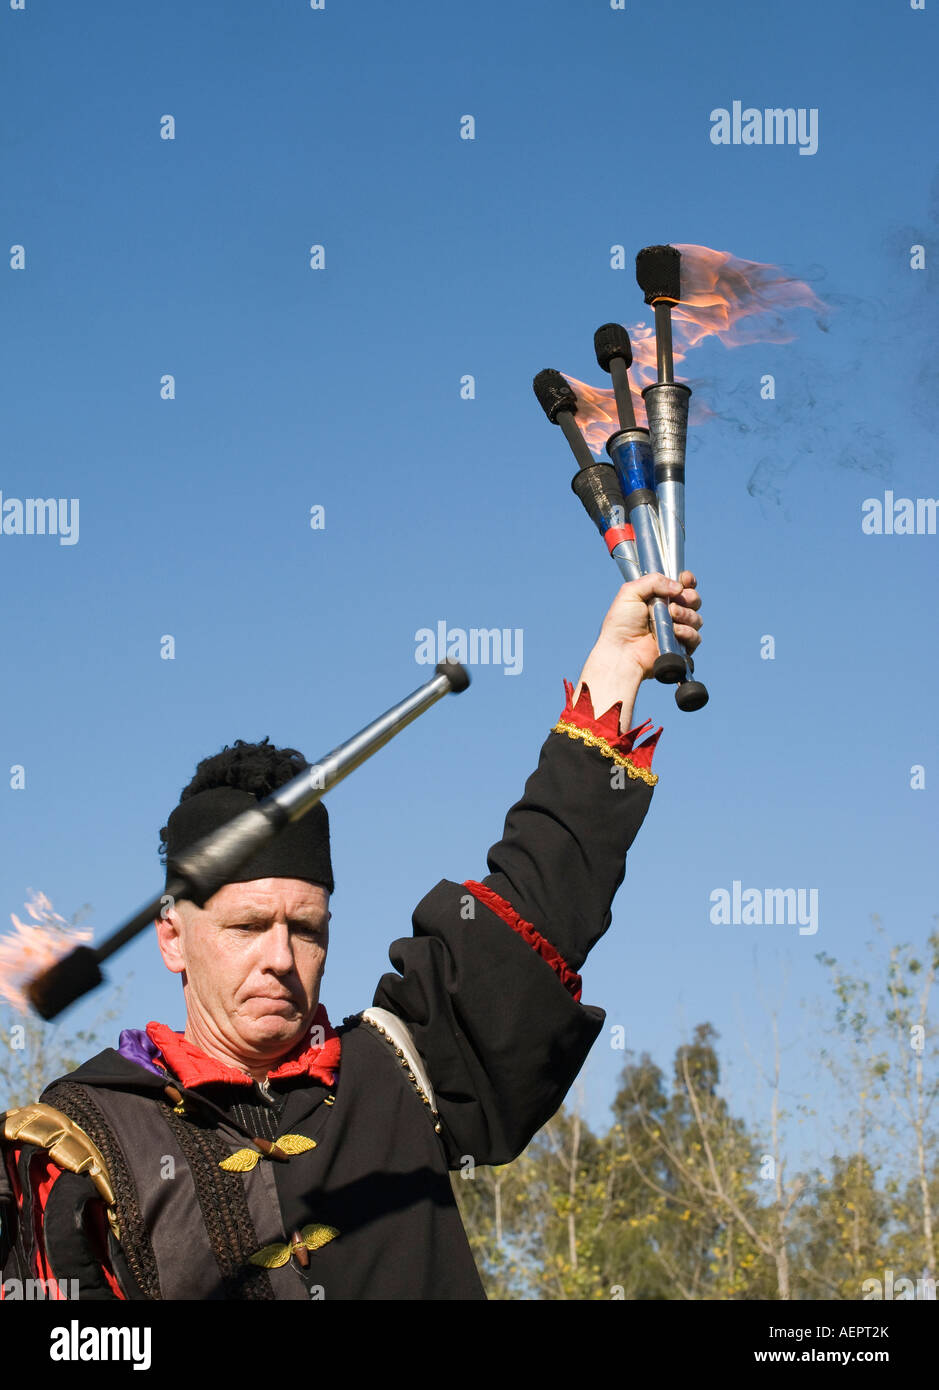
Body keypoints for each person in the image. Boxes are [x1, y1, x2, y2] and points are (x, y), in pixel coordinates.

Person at [0, 571, 703, 1301]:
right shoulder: (79, 1142)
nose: (280, 960)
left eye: (304, 928)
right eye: (246, 927)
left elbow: (543, 891)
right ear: (172, 939)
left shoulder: (403, 1070)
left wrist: (618, 664)